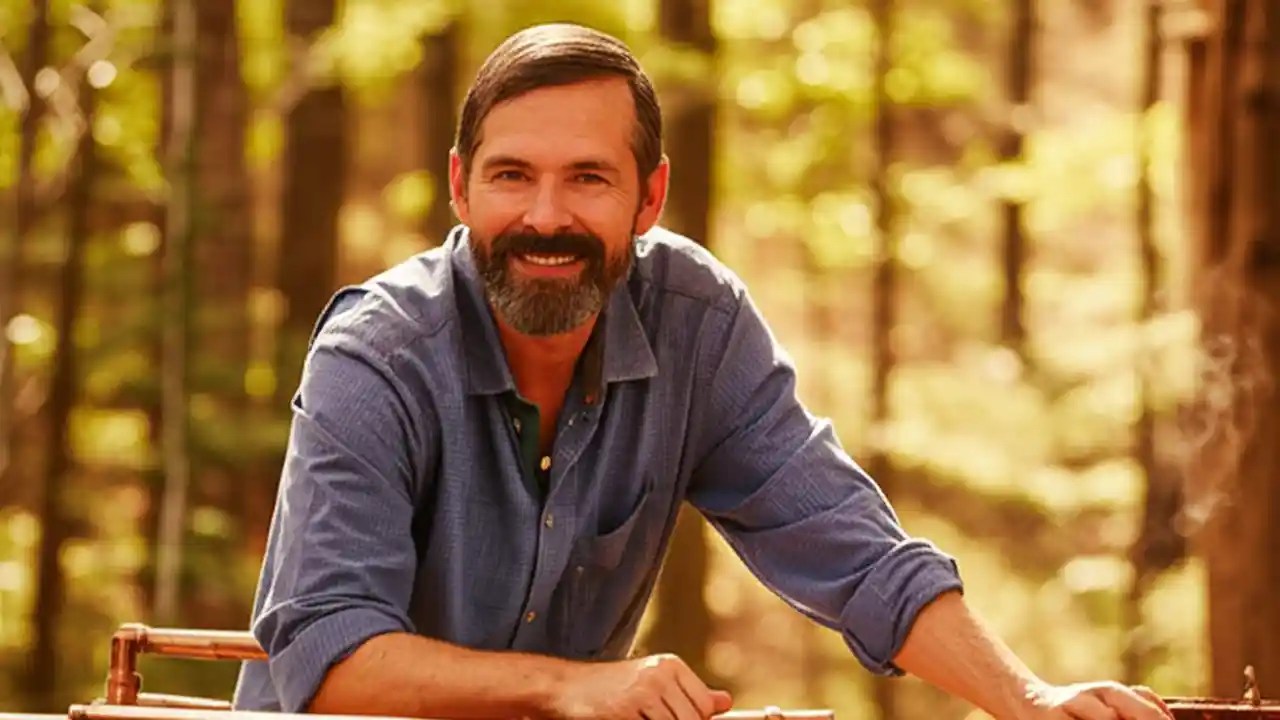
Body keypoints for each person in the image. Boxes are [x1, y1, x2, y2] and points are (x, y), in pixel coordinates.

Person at [232, 22, 1173, 720]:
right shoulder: (377, 355)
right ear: (460, 185)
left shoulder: (696, 324)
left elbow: (855, 553)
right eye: (512, 175)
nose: (545, 217)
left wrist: (1029, 699)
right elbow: (329, 652)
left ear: (651, 197)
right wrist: (579, 689)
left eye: (588, 178)